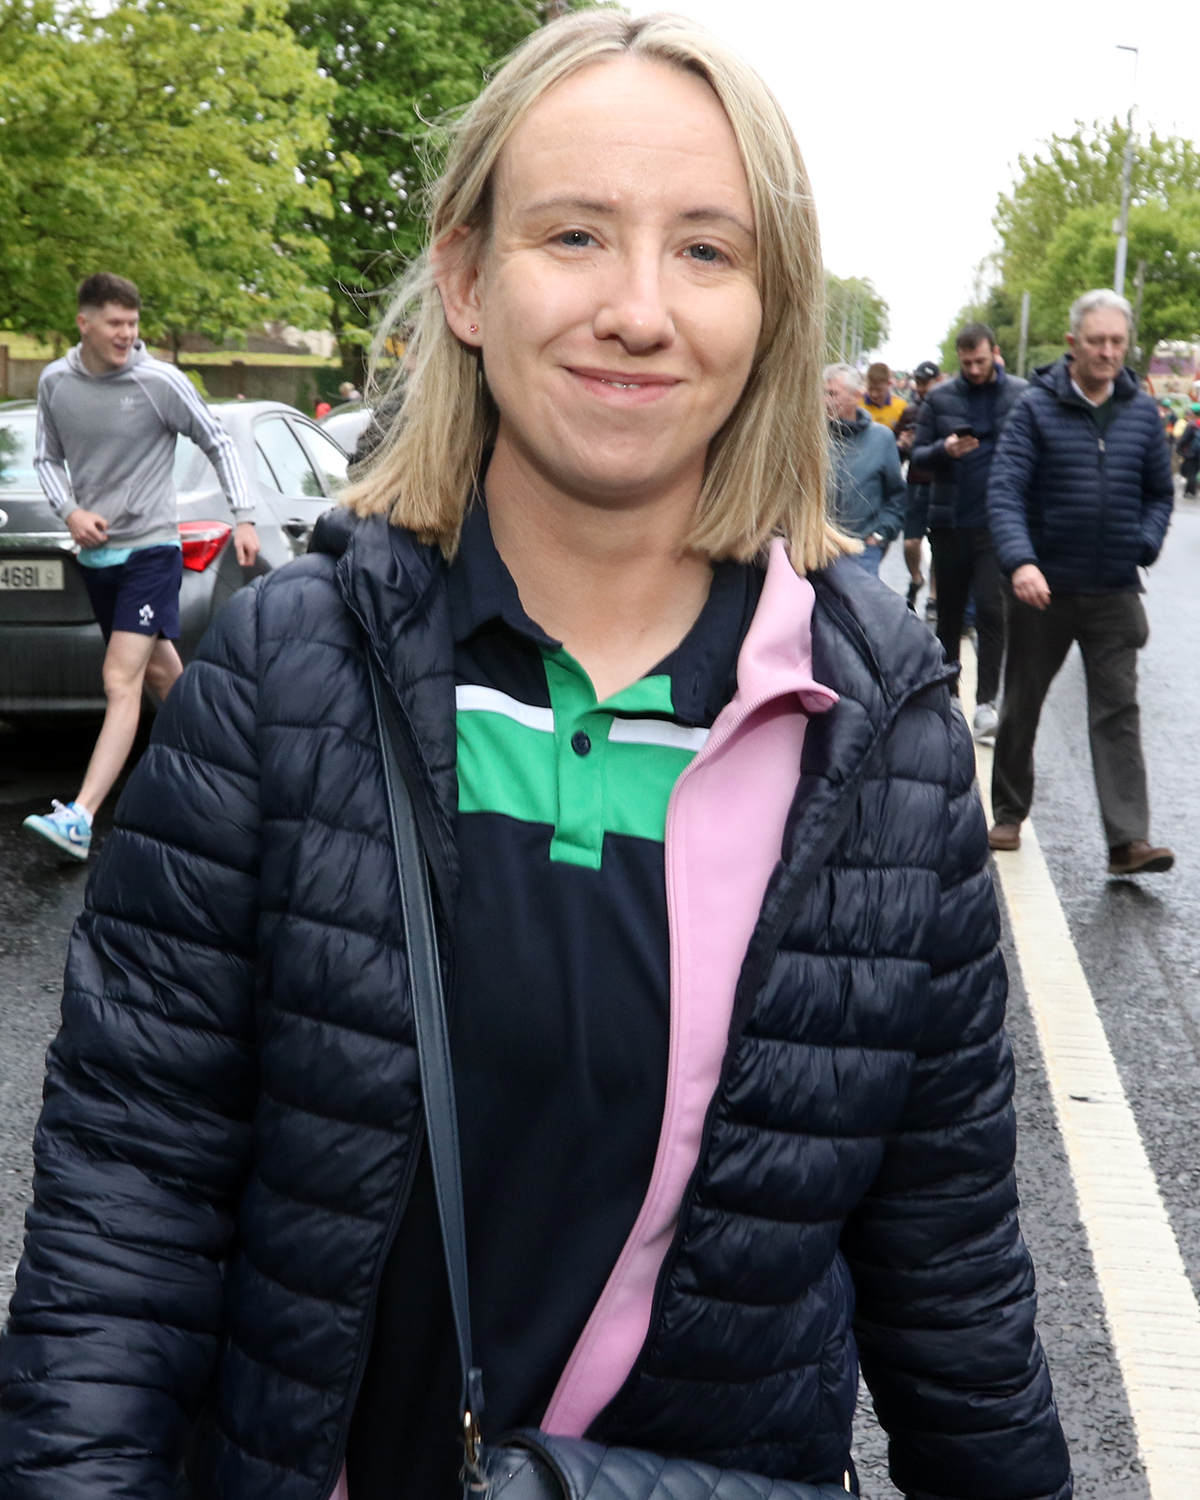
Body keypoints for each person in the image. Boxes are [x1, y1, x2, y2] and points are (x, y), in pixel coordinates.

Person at [0, 16, 1071, 1500]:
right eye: (575, 234)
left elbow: (949, 1272)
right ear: (466, 279)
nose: (639, 307)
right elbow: (129, 1212)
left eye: (707, 250)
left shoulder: (876, 731)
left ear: (770, 310)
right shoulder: (278, 677)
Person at [23, 272, 258, 860]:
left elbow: (219, 440)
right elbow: (45, 460)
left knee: (119, 681)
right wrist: (70, 510)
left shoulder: (159, 382)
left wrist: (246, 515)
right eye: (115, 324)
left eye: (133, 324)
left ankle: (80, 817)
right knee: (161, 677)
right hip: (98, 557)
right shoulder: (56, 383)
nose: (127, 334)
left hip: (153, 550)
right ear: (84, 324)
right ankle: (237, 769)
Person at [987, 288, 1174, 874]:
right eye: (1097, 341)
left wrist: (1145, 542)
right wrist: (1021, 562)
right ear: (1073, 343)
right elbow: (1006, 490)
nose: (1108, 352)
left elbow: (1160, 494)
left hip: (1115, 591)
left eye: (1118, 341)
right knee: (1023, 705)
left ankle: (1128, 842)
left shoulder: (1142, 411)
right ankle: (1009, 813)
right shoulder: (1036, 408)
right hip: (1044, 589)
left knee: (1118, 713)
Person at [912, 323, 1027, 743]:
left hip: (998, 523)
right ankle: (950, 695)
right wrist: (944, 450)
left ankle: (987, 705)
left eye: (981, 361)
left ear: (995, 352)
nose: (975, 369)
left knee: (994, 613)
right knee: (951, 616)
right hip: (950, 523)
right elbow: (917, 460)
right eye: (966, 363)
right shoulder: (941, 398)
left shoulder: (1020, 394)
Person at [823, 362, 907, 574]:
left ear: (856, 396)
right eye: (823, 393)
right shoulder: (811, 436)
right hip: (817, 550)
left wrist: (879, 535)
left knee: (858, 607)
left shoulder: (881, 438)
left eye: (833, 394)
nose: (825, 401)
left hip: (862, 551)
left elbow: (897, 496)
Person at [894, 358, 939, 608]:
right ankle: (916, 578)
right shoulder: (910, 412)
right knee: (911, 541)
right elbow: (895, 452)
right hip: (916, 483)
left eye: (927, 383)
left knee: (939, 543)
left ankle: (934, 595)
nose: (923, 388)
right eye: (919, 383)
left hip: (941, 484)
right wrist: (902, 445)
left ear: (937, 382)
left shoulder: (947, 408)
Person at [862, 360, 907, 429]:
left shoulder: (901, 406)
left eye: (879, 390)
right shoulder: (857, 403)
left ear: (889, 384)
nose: (874, 394)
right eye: (870, 389)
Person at [1176, 401, 1200, 497]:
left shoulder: (1192, 424)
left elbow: (1185, 438)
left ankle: (1190, 492)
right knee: (1195, 471)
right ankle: (1188, 491)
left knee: (1191, 472)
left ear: (1193, 413)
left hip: (1191, 452)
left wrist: (1179, 448)